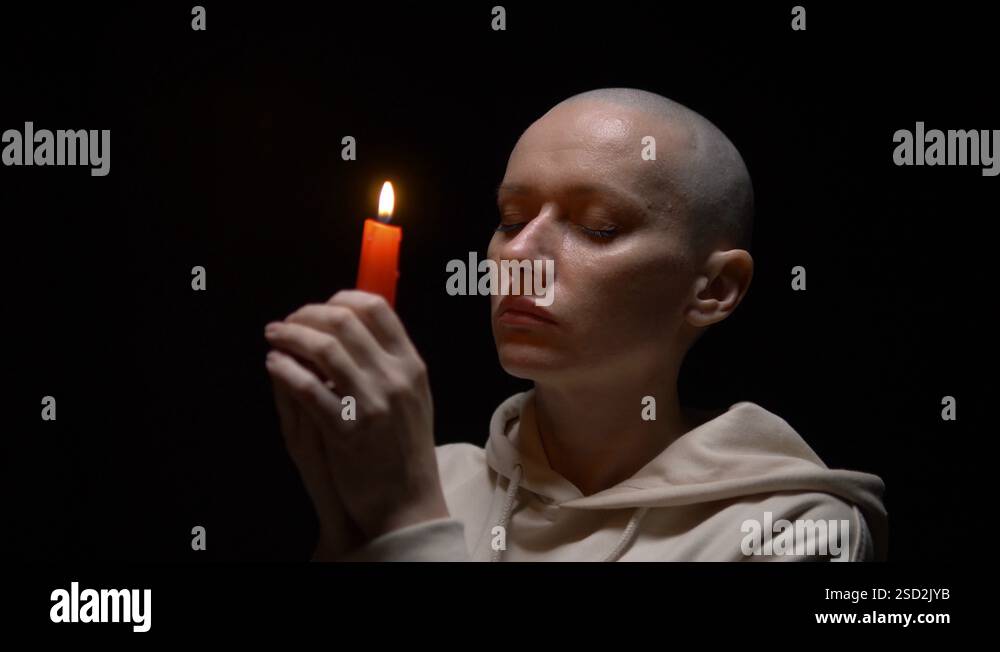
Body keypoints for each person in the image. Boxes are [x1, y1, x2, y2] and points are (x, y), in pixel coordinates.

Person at [263, 88, 887, 561]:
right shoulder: (431, 477)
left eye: (598, 228)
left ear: (714, 288)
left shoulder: (793, 528)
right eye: (510, 219)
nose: (520, 257)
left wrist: (408, 524)